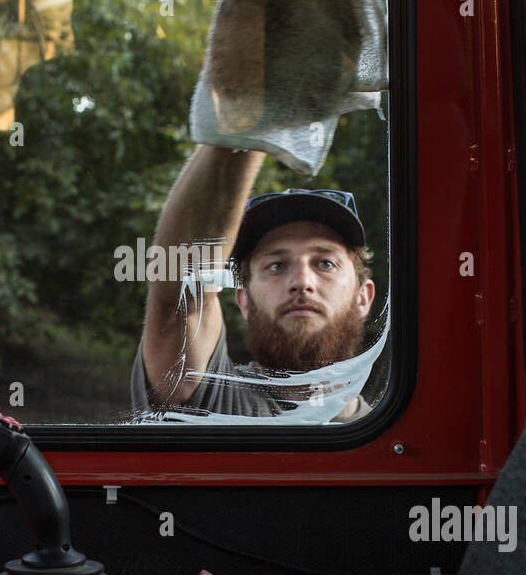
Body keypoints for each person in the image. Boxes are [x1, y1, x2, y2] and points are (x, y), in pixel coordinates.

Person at [131, 145, 377, 422]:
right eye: (276, 266)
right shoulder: (216, 404)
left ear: (363, 297)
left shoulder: (402, 433)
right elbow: (180, 292)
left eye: (325, 263)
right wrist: (246, 127)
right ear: (244, 300)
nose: (302, 282)